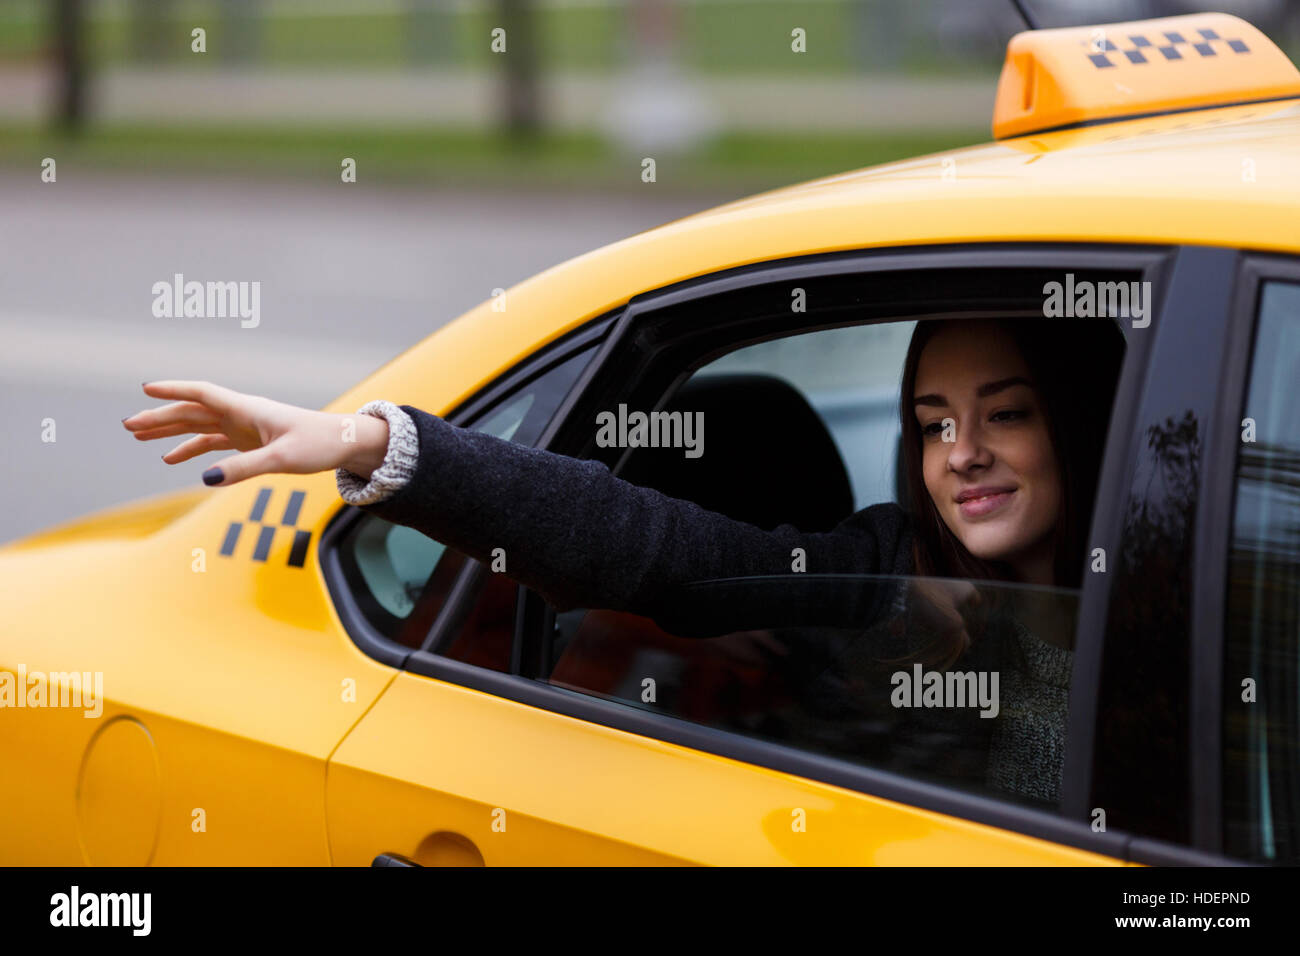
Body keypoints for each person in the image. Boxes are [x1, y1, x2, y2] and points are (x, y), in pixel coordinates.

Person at [122, 316, 1125, 803]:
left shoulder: (1195, 581)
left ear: (1075, 423)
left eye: (1006, 413)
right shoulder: (885, 577)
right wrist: (374, 445)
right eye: (931, 422)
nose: (963, 453)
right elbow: (656, 549)